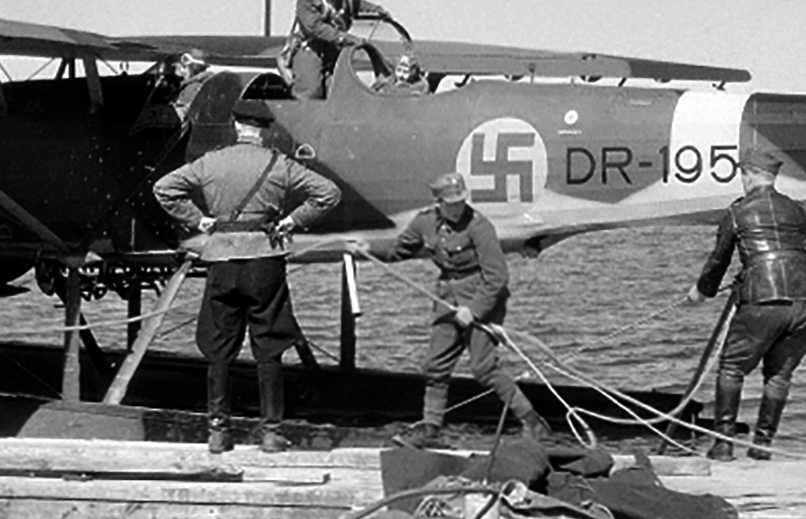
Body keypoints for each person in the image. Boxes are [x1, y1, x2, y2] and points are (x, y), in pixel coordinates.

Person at [152, 99, 340, 454]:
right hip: (265, 261)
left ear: (236, 126)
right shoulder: (279, 164)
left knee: (219, 348)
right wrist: (292, 221)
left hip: (221, 260)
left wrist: (198, 220)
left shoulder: (211, 162)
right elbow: (328, 193)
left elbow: (164, 188)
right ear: (265, 130)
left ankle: (218, 432)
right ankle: (271, 432)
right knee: (269, 346)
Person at [358, 171, 549, 449]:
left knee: (483, 369)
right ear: (439, 203)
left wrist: (474, 310)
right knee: (435, 366)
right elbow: (400, 249)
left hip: (483, 295)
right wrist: (370, 248)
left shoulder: (479, 226)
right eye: (452, 203)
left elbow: (497, 276)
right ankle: (430, 428)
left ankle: (533, 423)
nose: (458, 207)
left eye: (461, 201)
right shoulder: (425, 222)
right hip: (447, 296)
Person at [685, 144, 806, 461]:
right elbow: (802, 256)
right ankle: (762, 447)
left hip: (764, 299)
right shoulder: (798, 211)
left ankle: (723, 445)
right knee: (779, 375)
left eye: (743, 175)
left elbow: (718, 261)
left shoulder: (737, 212)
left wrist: (701, 292)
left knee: (732, 367)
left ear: (749, 175)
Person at [281, 0, 396, 99]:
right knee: (311, 91)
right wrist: (345, 38)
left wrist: (376, 10)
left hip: (334, 48)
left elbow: (356, 4)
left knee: (338, 91)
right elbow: (315, 28)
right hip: (309, 46)